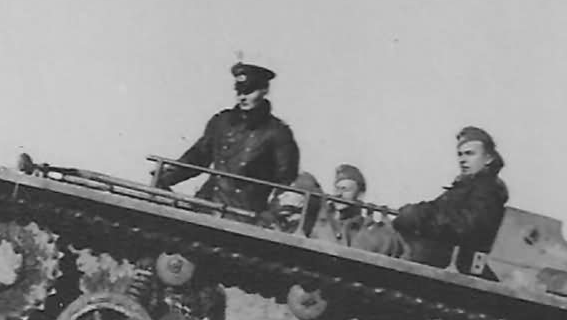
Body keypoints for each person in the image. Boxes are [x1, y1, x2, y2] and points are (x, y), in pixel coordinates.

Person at [156, 62, 300, 213]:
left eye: (249, 91)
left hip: (244, 214)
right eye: (239, 91)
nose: (242, 97)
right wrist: (166, 176)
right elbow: (199, 157)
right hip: (207, 203)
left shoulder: (277, 132)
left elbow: (286, 180)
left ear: (264, 90)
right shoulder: (222, 122)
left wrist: (272, 214)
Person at [392, 126, 508, 273]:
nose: (463, 160)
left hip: (452, 264)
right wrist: (415, 212)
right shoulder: (464, 188)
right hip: (434, 258)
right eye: (460, 154)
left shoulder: (488, 191)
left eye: (470, 154)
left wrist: (419, 215)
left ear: (488, 158)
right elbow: (437, 211)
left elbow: (463, 226)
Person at [312, 164, 406, 257]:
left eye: (346, 190)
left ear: (360, 194)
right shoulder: (321, 218)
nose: (339, 194)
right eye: (337, 189)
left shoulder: (366, 228)